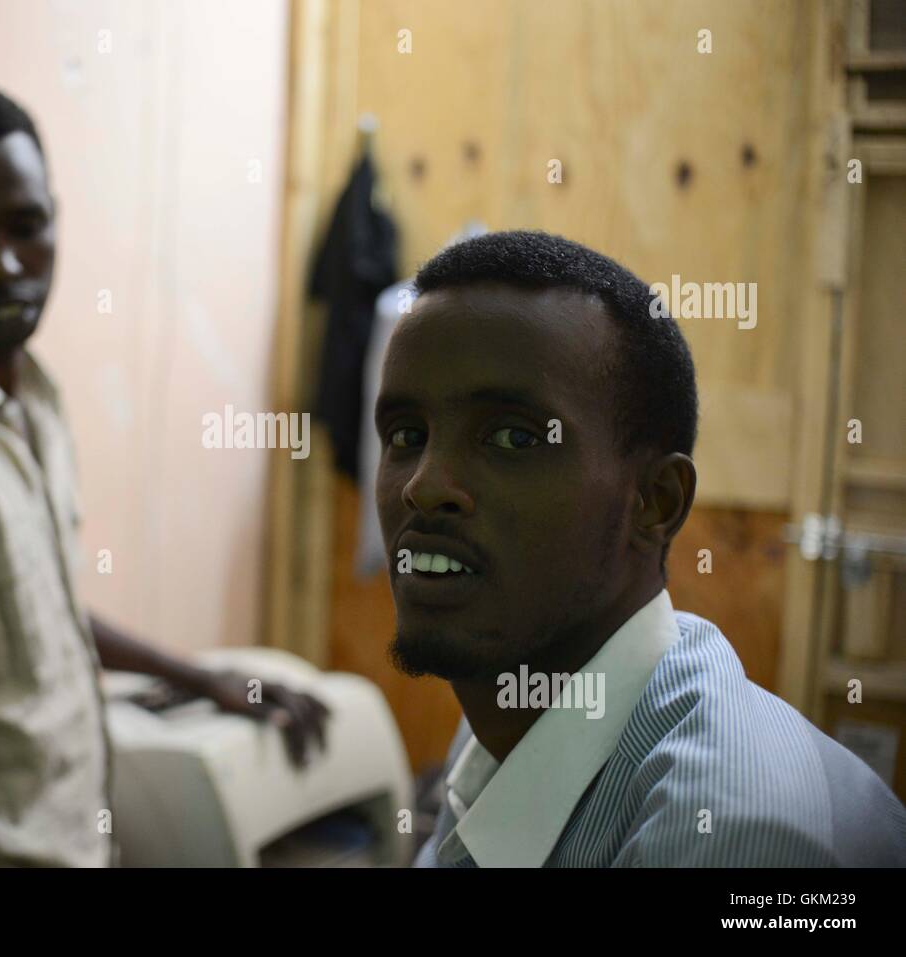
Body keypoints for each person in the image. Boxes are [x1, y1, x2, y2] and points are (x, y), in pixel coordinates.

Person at [0, 81, 328, 867]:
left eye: (26, 226)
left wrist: (204, 678)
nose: (5, 265)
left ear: (54, 218)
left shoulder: (28, 392)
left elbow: (37, 611)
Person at [373, 229, 906, 866]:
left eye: (513, 438)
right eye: (406, 433)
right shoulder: (510, 702)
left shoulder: (733, 836)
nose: (424, 486)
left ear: (655, 502)